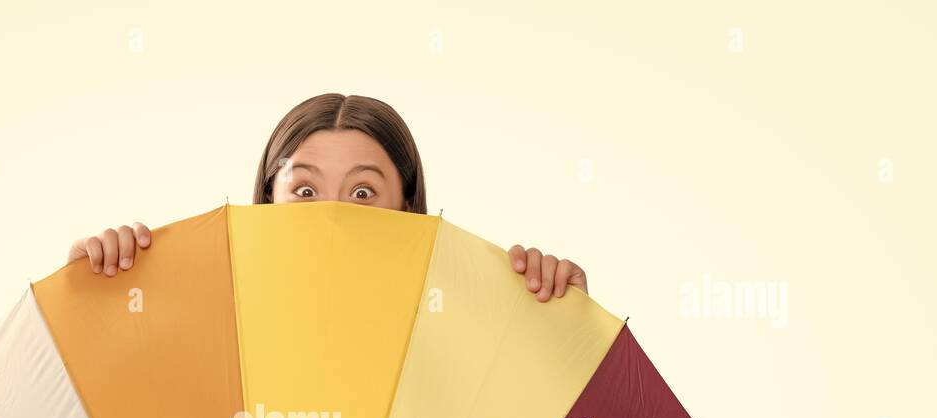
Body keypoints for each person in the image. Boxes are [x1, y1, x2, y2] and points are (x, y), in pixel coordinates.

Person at [67, 93, 588, 303]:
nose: (333, 215)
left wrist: (558, 334)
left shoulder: (459, 330)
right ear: (269, 203)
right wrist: (94, 306)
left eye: (362, 192)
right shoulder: (207, 325)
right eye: (306, 190)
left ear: (407, 210)